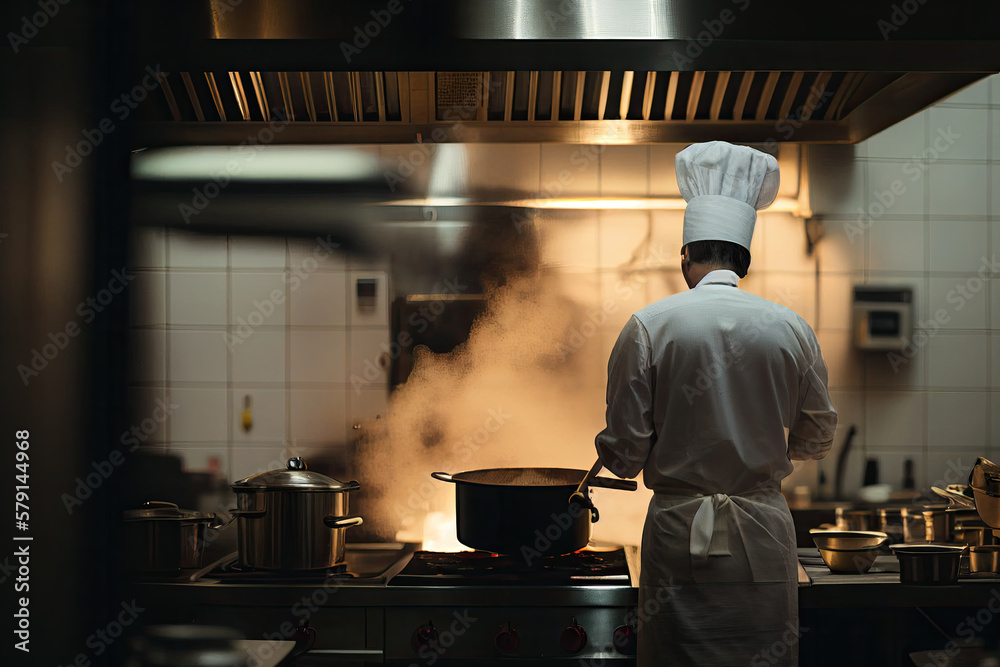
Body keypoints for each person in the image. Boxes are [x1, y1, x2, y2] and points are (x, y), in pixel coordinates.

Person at [595, 141, 838, 667]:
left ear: (685, 253)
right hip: (764, 533)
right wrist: (758, 452)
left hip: (677, 534)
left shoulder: (649, 326)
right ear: (743, 258)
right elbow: (818, 436)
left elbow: (624, 456)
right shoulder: (790, 327)